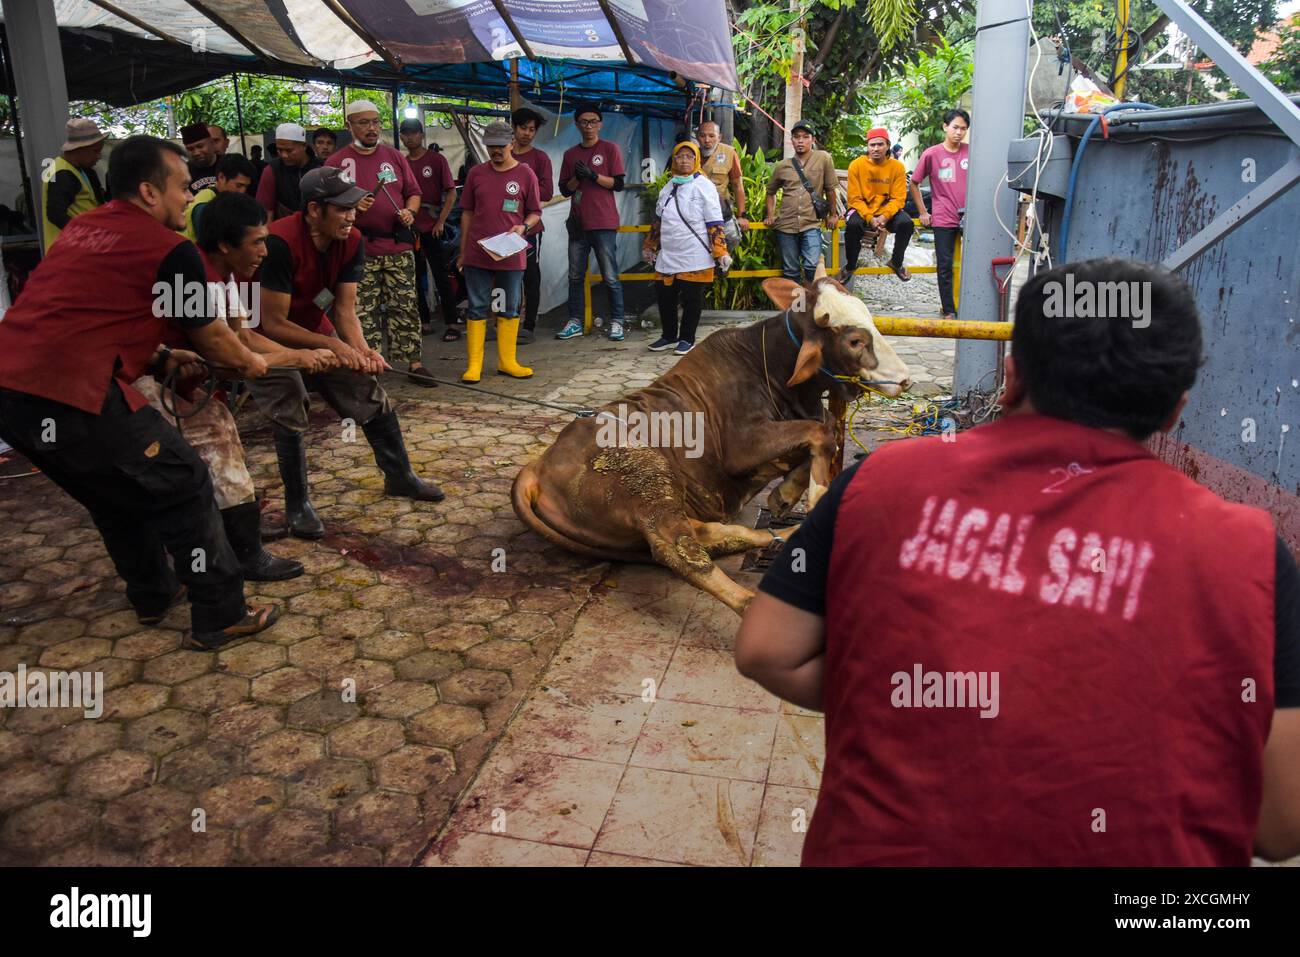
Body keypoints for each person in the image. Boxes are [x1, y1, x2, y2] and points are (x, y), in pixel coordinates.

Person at [735, 257, 1300, 867]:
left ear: (1011, 377)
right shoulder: (1250, 554)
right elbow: (1281, 826)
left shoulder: (881, 482)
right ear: (1173, 410)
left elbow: (766, 649)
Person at [0, 135, 280, 650]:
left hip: (11, 393)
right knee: (184, 480)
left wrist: (157, 357)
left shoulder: (83, 229)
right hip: (72, 391)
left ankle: (153, 594)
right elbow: (218, 344)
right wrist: (257, 362)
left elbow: (81, 314)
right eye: (179, 187)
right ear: (149, 192)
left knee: (115, 494)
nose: (185, 199)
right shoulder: (171, 249)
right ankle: (221, 612)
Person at [140, 191, 339, 582]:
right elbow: (234, 356)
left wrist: (310, 351)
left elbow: (244, 336)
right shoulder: (198, 275)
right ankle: (241, 556)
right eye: (257, 242)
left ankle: (230, 542)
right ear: (225, 244)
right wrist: (301, 357)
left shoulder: (226, 274)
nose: (265, 251)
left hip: (182, 385)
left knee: (215, 447)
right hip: (149, 383)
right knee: (216, 444)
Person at [247, 167, 444, 539]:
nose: (352, 215)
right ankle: (297, 504)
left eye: (354, 206)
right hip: (267, 336)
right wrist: (336, 345)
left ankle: (399, 477)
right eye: (342, 208)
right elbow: (272, 323)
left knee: (364, 386)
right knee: (289, 401)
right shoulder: (278, 243)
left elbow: (345, 310)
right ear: (314, 210)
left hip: (314, 327)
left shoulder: (352, 240)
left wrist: (363, 350)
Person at [326, 100, 431, 386]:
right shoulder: (336, 163)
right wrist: (352, 207)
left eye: (375, 121)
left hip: (397, 245)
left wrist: (410, 211)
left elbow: (413, 193)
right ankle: (369, 365)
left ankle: (414, 363)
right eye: (363, 122)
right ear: (349, 125)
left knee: (405, 304)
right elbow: (327, 210)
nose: (371, 128)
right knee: (363, 309)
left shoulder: (394, 156)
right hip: (359, 249)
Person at [457, 121, 541, 382]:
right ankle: (474, 365)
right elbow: (467, 213)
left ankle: (507, 361)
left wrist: (523, 227)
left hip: (510, 254)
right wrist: (463, 252)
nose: (495, 151)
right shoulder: (476, 174)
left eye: (500, 147)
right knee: (477, 306)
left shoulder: (526, 174)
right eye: (491, 147)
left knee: (508, 305)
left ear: (512, 144)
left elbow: (535, 212)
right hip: (478, 253)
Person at [641, 141, 731, 357]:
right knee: (665, 296)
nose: (684, 161)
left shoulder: (704, 186)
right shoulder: (668, 186)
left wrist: (720, 251)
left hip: (694, 253)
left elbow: (714, 221)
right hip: (669, 254)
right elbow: (658, 220)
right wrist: (651, 245)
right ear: (673, 160)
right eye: (679, 156)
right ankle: (669, 336)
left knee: (692, 299)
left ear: (696, 160)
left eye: (689, 157)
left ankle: (687, 339)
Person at [556, 103, 626, 342]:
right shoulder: (570, 154)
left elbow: (618, 184)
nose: (589, 126)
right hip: (578, 223)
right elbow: (565, 189)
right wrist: (578, 177)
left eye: (593, 121)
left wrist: (594, 175)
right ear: (576, 125)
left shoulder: (610, 149)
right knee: (575, 275)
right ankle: (574, 320)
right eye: (584, 122)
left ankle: (617, 321)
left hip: (604, 222)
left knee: (610, 276)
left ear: (600, 123)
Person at [399, 117, 460, 342]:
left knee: (441, 274)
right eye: (405, 133)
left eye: (413, 133)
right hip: (410, 226)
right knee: (413, 276)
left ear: (421, 135)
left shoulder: (436, 160)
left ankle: (452, 322)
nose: (409, 137)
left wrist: (441, 221)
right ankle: (423, 321)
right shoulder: (401, 162)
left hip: (433, 224)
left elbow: (451, 193)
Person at [910, 109, 971, 321]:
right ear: (945, 127)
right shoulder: (932, 154)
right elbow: (914, 183)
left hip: (970, 217)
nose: (959, 132)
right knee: (944, 266)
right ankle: (949, 310)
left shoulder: (971, 152)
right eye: (955, 127)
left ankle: (971, 306)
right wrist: (923, 212)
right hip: (943, 217)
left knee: (973, 263)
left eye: (963, 129)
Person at [764, 120, 837, 283]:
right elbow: (770, 192)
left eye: (805, 137)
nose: (801, 141)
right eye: (797, 137)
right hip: (786, 225)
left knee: (812, 265)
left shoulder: (823, 158)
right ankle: (797, 306)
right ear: (792, 140)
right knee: (790, 270)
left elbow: (830, 188)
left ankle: (810, 301)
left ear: (812, 139)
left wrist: (833, 214)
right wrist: (771, 215)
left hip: (810, 223)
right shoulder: (783, 166)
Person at [844, 127, 912, 285]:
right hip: (862, 208)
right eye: (872, 145)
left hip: (886, 210)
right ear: (867, 146)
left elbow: (898, 198)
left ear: (888, 145)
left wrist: (884, 216)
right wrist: (869, 217)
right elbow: (854, 198)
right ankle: (850, 265)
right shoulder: (856, 165)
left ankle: (896, 261)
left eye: (880, 144)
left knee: (906, 224)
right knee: (853, 225)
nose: (875, 148)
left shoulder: (897, 167)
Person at [510, 107, 554, 344]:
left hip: (530, 228)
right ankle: (506, 322)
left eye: (531, 129)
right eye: (523, 128)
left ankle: (529, 326)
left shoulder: (540, 159)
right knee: (506, 277)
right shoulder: (503, 155)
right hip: (502, 228)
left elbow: (546, 192)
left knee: (530, 275)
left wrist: (523, 186)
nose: (527, 133)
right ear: (513, 128)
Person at [42, 117, 106, 249]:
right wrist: (85, 234)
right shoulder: (63, 174)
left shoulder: (83, 170)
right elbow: (55, 214)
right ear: (80, 148)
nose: (99, 156)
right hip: (69, 250)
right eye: (96, 151)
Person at [696, 120, 748, 253]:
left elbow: (737, 185)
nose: (707, 140)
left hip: (721, 211)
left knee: (731, 240)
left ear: (719, 137)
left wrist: (742, 215)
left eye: (712, 136)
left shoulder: (729, 153)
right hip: (695, 211)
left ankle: (722, 269)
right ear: (697, 137)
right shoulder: (690, 154)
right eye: (702, 136)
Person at [182, 152, 256, 242]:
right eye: (239, 186)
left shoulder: (218, 199)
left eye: (246, 187)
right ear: (221, 177)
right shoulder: (203, 207)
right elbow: (212, 249)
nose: (242, 192)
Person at [255, 122, 322, 221]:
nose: (284, 155)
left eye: (289, 150)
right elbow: (265, 210)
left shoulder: (320, 168)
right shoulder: (272, 171)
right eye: (279, 150)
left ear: (304, 146)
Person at [181, 122, 219, 196]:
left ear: (212, 143)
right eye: (190, 149)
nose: (196, 153)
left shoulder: (228, 165)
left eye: (200, 146)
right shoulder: (183, 172)